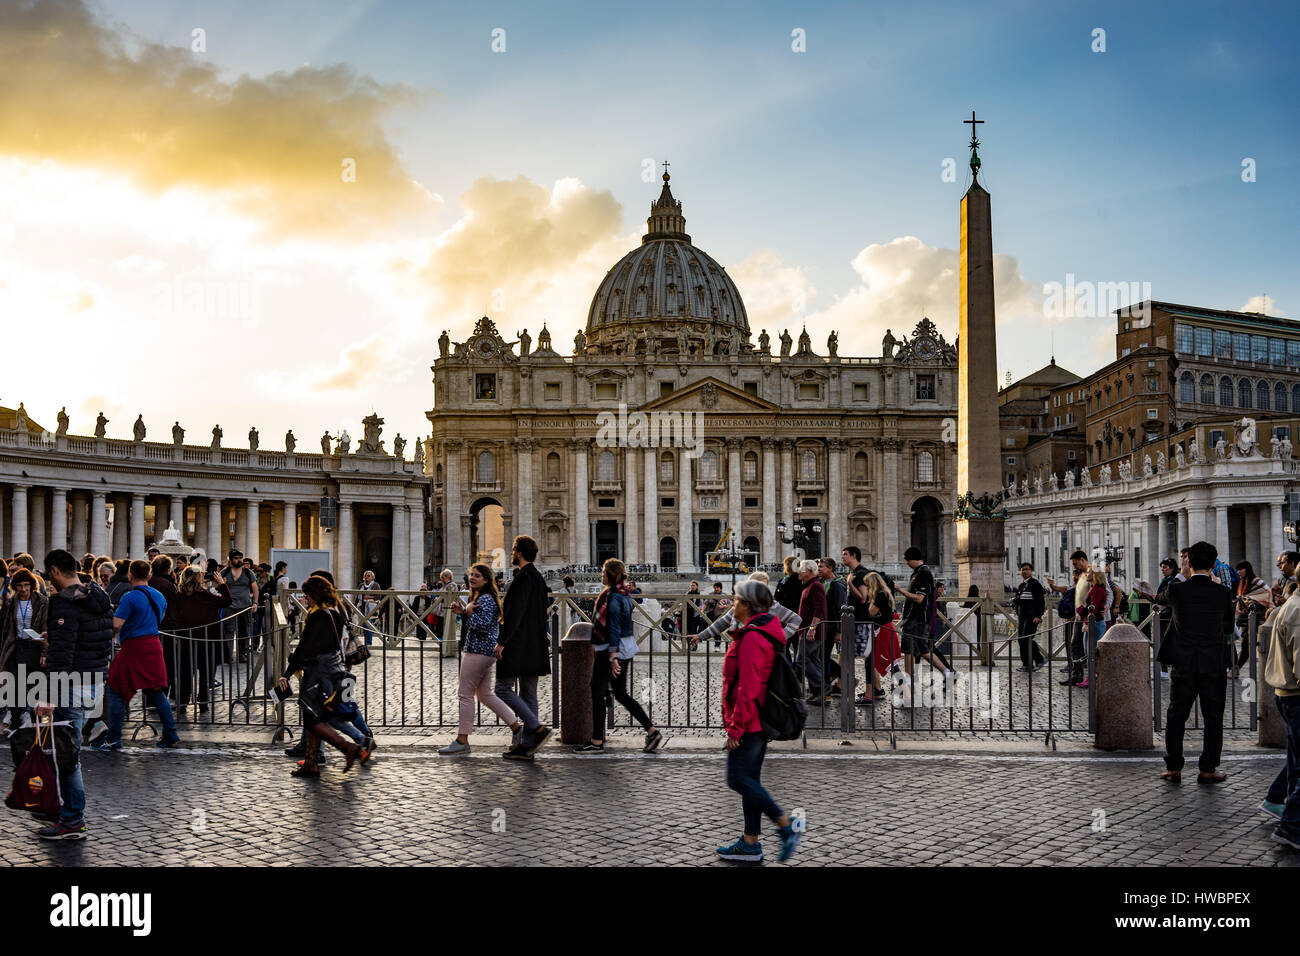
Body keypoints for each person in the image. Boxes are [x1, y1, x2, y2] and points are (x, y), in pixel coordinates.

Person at [716, 579, 802, 864]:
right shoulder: (757, 631)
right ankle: (750, 843)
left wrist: (735, 728)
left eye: (737, 600)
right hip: (755, 720)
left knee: (738, 778)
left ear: (748, 605)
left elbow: (748, 688)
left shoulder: (753, 637)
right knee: (748, 779)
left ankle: (784, 824)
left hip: (749, 723)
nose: (732, 603)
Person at [34, 550, 113, 839]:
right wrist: (53, 636)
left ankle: (71, 819)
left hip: (70, 685)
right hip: (93, 682)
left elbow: (63, 654)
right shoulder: (98, 596)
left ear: (54, 571)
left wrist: (48, 695)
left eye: (48, 575)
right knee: (68, 750)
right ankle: (65, 811)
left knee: (67, 756)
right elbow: (92, 638)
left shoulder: (65, 602)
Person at [1158, 540, 1234, 784]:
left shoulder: (1177, 590)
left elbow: (1160, 598)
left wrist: (1182, 574)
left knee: (1176, 714)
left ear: (1188, 562)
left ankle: (1174, 768)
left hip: (1184, 661)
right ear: (1213, 564)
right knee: (1213, 717)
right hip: (1213, 662)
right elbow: (1228, 627)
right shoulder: (1223, 593)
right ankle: (1208, 768)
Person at [276, 576, 363, 777]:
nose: (305, 600)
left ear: (314, 594)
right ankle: (311, 762)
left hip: (316, 670)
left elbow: (304, 648)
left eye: (306, 596)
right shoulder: (335, 612)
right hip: (331, 668)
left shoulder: (317, 616)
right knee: (314, 716)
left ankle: (347, 748)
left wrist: (287, 674)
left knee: (313, 720)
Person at [575, 558, 663, 753]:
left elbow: (613, 626)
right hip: (625, 645)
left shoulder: (613, 597)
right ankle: (651, 730)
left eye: (604, 572)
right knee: (620, 693)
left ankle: (596, 741)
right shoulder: (624, 594)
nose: (601, 575)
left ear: (611, 575)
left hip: (611, 648)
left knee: (596, 690)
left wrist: (613, 655)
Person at [439, 564, 528, 756]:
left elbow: (482, 625)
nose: (472, 578)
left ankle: (462, 739)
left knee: (464, 694)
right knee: (485, 695)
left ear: (486, 580)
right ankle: (516, 728)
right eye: (471, 574)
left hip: (478, 652)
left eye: (477, 575)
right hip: (484, 651)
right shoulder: (483, 598)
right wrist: (464, 612)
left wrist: (466, 613)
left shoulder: (485, 599)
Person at [96, 560, 181, 751]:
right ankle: (170, 732)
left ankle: (113, 738)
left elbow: (117, 624)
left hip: (134, 646)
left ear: (130, 575)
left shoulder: (130, 597)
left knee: (116, 690)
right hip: (153, 644)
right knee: (156, 691)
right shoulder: (159, 596)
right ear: (149, 575)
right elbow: (162, 617)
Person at [496, 535, 553, 759]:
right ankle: (528, 746)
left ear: (519, 553)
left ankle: (537, 729)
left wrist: (502, 641)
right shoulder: (538, 578)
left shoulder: (523, 578)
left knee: (502, 688)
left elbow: (515, 614)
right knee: (529, 694)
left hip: (519, 644)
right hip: (535, 643)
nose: (511, 553)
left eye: (512, 549)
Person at [1261, 585, 1300, 850]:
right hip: (1296, 693)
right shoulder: (1298, 611)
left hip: (1288, 692)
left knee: (1296, 761)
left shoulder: (1291, 605)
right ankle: (1292, 827)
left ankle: (1277, 799)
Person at [170, 565, 231, 716]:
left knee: (186, 673)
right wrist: (222, 584)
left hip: (187, 638)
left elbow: (174, 617)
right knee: (205, 673)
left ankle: (183, 704)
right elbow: (226, 601)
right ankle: (203, 703)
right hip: (205, 638)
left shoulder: (179, 595)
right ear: (197, 578)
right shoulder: (203, 595)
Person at [895, 546, 953, 699]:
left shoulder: (923, 573)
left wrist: (899, 591)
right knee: (921, 650)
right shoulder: (918, 573)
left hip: (918, 618)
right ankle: (947, 673)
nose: (906, 563)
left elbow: (919, 598)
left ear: (913, 559)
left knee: (911, 650)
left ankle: (908, 684)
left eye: (907, 560)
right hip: (916, 618)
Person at [690, 571, 801, 647]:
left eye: (765, 586)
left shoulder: (771, 605)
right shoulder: (740, 605)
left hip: (762, 656)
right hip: (739, 651)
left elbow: (796, 619)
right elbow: (722, 623)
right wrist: (700, 636)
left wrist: (780, 638)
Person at [1, 568, 48, 725]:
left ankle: (32, 720)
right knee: (16, 683)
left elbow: (45, 628)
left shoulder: (42, 601)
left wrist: (45, 651)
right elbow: (7, 628)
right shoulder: (11, 602)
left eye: (26, 585)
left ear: (32, 585)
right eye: (20, 585)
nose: (23, 589)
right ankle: (16, 718)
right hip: (16, 646)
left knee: (34, 684)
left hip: (34, 646)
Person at [793, 559, 828, 703]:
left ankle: (821, 687)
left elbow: (819, 609)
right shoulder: (809, 586)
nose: (799, 572)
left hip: (812, 631)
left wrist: (812, 628)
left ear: (809, 572)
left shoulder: (815, 586)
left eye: (801, 569)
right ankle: (819, 693)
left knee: (801, 659)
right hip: (807, 629)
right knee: (814, 660)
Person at [148, 555, 180, 697]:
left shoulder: (147, 583)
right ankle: (166, 692)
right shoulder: (168, 585)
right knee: (168, 663)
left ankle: (150, 695)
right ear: (168, 569)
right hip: (166, 630)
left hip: (148, 629)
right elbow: (174, 609)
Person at [1233, 560, 1272, 674]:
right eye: (1237, 569)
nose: (1238, 571)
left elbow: (1267, 593)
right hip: (1248, 617)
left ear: (1247, 569)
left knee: (1249, 643)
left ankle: (1237, 668)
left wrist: (1249, 599)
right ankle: (1237, 668)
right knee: (1247, 643)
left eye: (1241, 569)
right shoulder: (1242, 582)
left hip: (1259, 618)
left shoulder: (1256, 581)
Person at [818, 558, 846, 699]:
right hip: (824, 627)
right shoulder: (822, 582)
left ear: (830, 568)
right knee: (822, 656)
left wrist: (839, 631)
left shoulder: (838, 585)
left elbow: (841, 609)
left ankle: (828, 687)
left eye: (821, 567)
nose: (819, 569)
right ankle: (834, 677)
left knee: (822, 657)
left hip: (831, 628)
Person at [222, 549, 258, 662]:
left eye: (240, 558)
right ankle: (228, 655)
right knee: (229, 630)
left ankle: (242, 654)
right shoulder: (225, 572)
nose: (239, 560)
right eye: (236, 558)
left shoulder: (248, 572)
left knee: (243, 631)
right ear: (231, 560)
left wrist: (255, 603)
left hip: (245, 606)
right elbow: (218, 587)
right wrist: (221, 583)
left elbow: (255, 589)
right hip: (229, 605)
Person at [1012, 562, 1047, 671]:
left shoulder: (1035, 584)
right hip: (1022, 616)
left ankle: (1038, 659)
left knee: (1026, 638)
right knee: (1021, 640)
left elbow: (1041, 601)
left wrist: (1038, 615)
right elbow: (1019, 599)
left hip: (1031, 616)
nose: (1025, 571)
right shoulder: (1022, 585)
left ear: (1031, 572)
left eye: (1027, 569)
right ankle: (1027, 663)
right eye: (1023, 569)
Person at [357, 569, 380, 645]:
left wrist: (368, 597)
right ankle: (366, 643)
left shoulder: (375, 585)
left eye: (368, 576)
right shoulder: (361, 585)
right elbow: (357, 596)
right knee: (364, 626)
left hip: (371, 608)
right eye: (365, 576)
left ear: (372, 577)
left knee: (368, 625)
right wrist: (354, 605)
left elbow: (378, 596)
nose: (366, 577)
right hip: (362, 607)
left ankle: (369, 644)